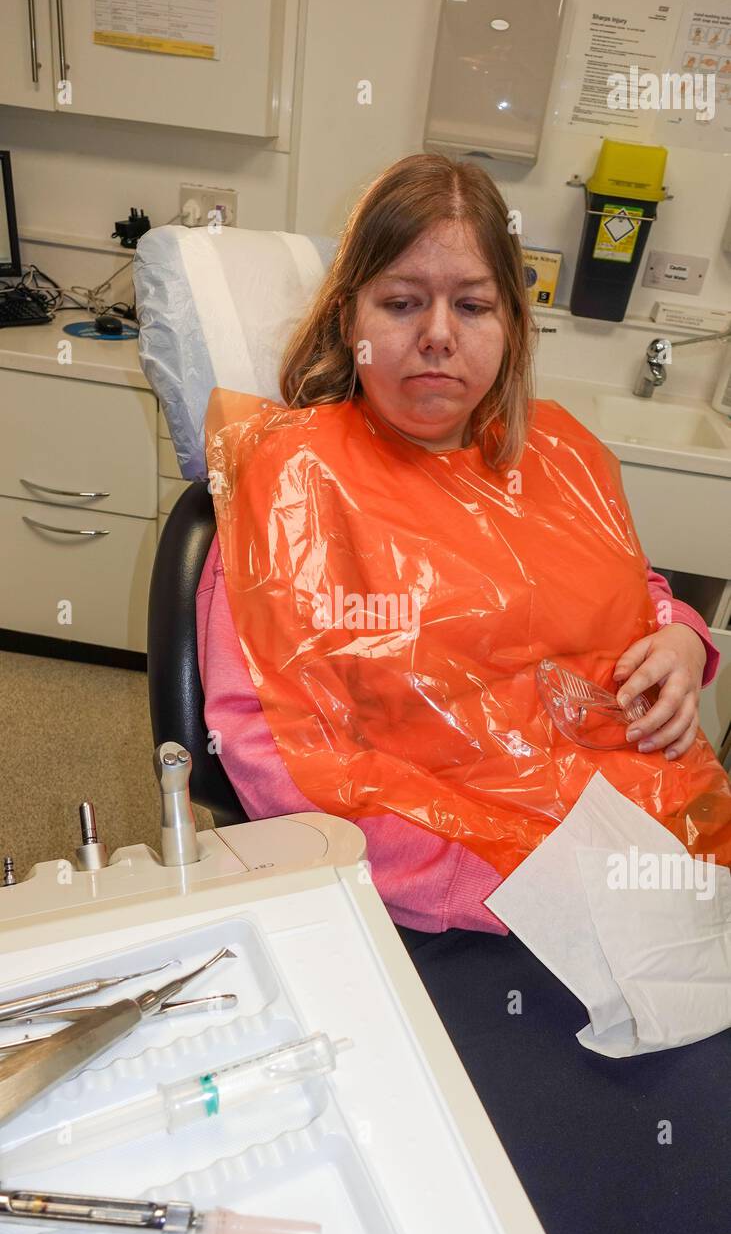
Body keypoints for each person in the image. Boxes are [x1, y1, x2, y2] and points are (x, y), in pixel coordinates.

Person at [197, 153, 729, 939]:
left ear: (512, 324)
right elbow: (270, 745)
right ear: (351, 320)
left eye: (473, 307)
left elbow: (625, 587)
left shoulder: (558, 455)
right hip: (449, 895)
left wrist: (682, 638)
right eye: (402, 302)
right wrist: (492, 888)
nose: (438, 336)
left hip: (648, 840)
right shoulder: (293, 483)